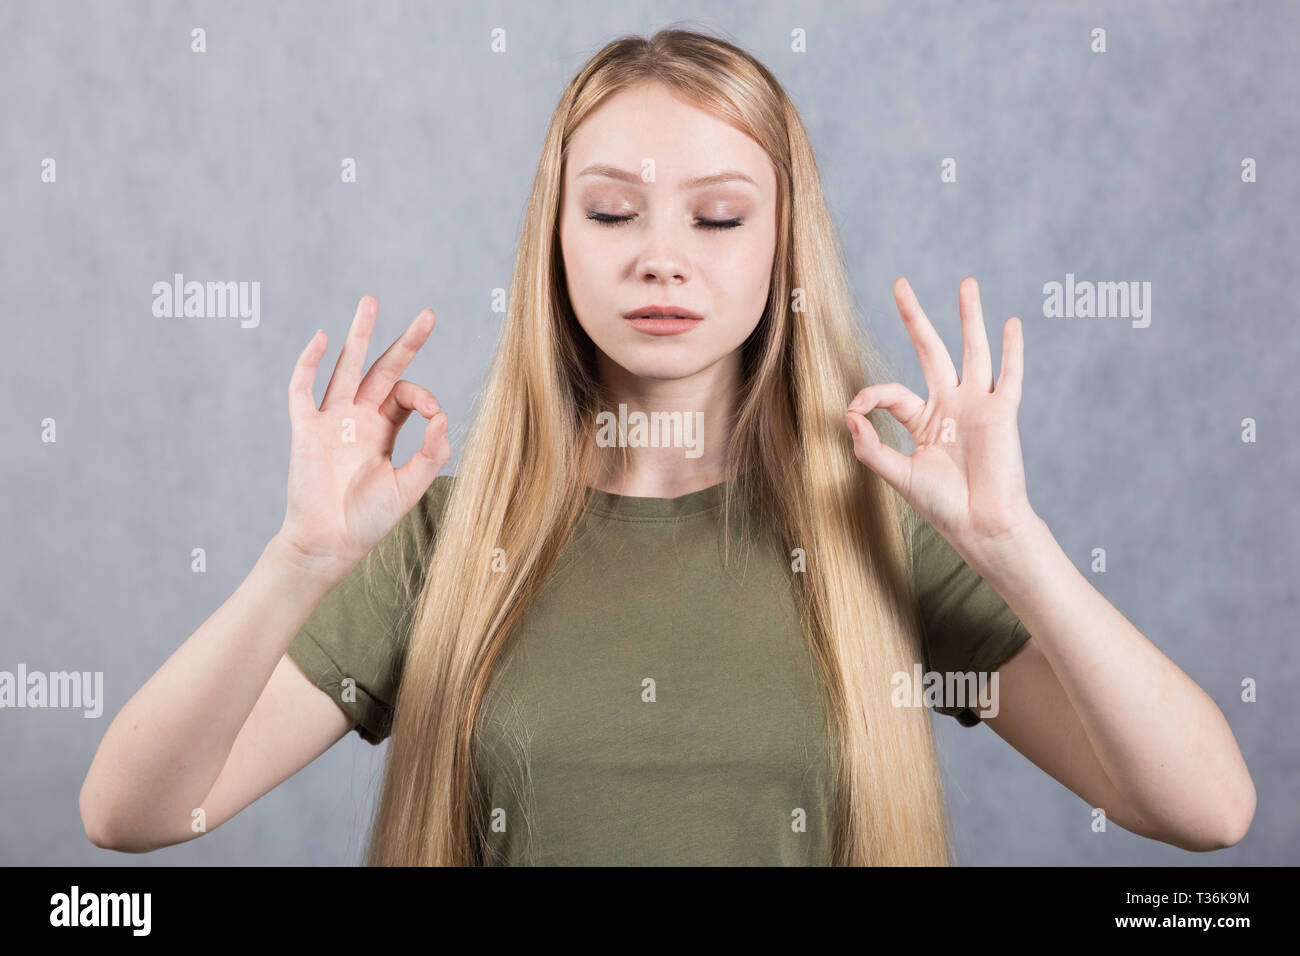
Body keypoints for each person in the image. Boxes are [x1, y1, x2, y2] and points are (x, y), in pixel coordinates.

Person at [79, 27, 1254, 865]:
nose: (660, 255)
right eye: (609, 212)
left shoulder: (881, 530)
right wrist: (298, 559)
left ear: (781, 248)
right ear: (556, 244)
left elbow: (1205, 811)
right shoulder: (437, 541)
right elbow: (130, 816)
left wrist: (1014, 545)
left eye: (719, 214)